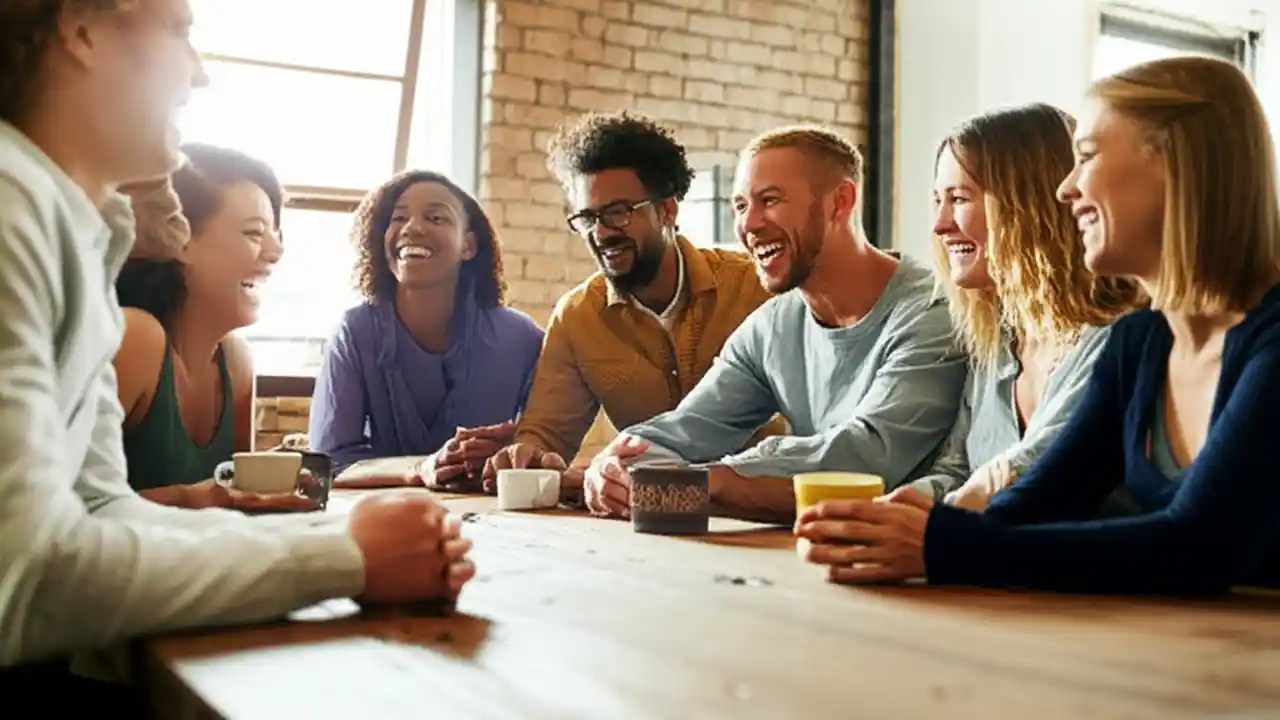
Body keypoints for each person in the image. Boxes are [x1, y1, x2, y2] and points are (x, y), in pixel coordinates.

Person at [0, 0, 473, 685]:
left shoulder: (76, 230)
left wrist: (337, 537)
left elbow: (103, 507)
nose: (199, 76)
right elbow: (26, 582)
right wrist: (345, 560)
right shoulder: (14, 208)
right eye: (180, 33)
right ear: (82, 31)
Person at [796, 56, 1280, 595]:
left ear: (1181, 166)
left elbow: (1197, 549)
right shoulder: (1139, 344)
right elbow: (1039, 501)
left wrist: (941, 543)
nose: (1064, 190)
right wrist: (910, 531)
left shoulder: (1271, 341)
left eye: (1088, 158)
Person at [583, 125, 968, 522]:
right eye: (741, 206)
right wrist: (617, 462)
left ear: (841, 201)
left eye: (769, 200)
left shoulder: (932, 311)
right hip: (816, 549)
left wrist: (704, 478)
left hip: (928, 565)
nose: (749, 226)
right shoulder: (770, 328)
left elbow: (866, 455)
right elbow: (690, 428)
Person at [484, 110, 779, 490]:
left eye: (618, 213)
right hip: (642, 520)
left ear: (668, 210)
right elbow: (546, 435)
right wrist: (527, 455)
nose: (601, 232)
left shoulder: (755, 288)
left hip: (756, 511)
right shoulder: (578, 317)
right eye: (587, 217)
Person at [907, 104, 1145, 511]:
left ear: (1027, 206)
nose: (939, 224)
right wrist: (907, 501)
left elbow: (1037, 468)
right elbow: (957, 468)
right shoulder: (997, 338)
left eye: (959, 198)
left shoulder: (1117, 336)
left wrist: (938, 522)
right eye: (937, 201)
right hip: (984, 569)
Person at [309, 169, 543, 483]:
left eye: (436, 218)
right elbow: (329, 460)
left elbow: (545, 448)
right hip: (386, 517)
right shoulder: (355, 332)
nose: (413, 228)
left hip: (495, 517)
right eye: (398, 218)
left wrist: (516, 450)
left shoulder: (522, 339)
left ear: (468, 246)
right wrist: (420, 468)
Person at [114, 143, 308, 511]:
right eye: (254, 233)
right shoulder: (134, 340)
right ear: (178, 237)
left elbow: (238, 503)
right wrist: (186, 499)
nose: (276, 250)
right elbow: (36, 518)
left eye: (276, 233)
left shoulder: (235, 360)